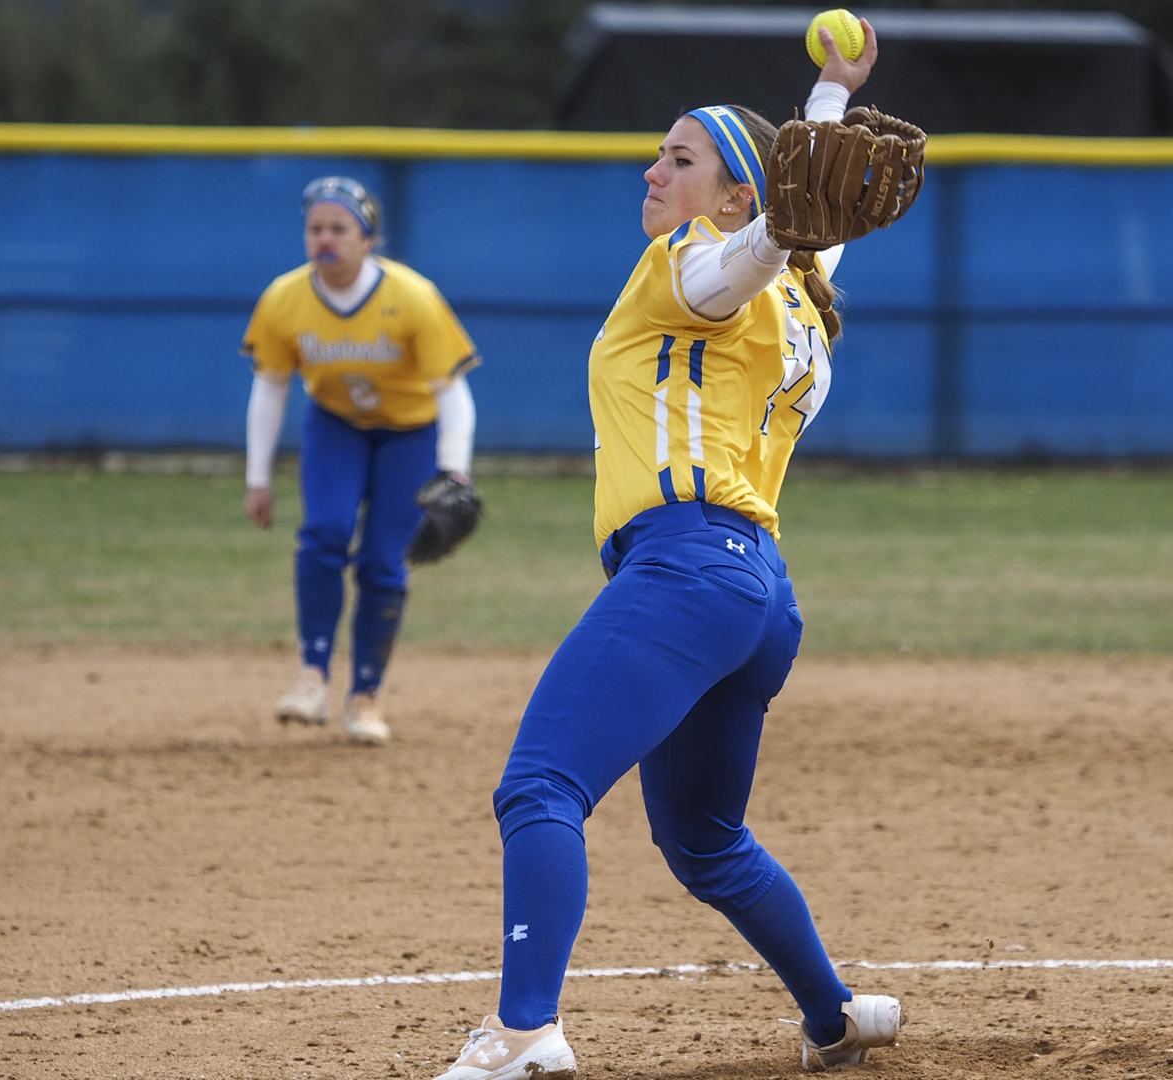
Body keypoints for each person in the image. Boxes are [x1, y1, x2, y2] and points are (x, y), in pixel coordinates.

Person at [431, 21, 904, 1080]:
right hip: (756, 597)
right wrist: (826, 95)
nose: (654, 169)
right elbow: (800, 235)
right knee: (703, 841)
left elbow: (745, 256)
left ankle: (522, 1034)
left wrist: (782, 202)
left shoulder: (695, 265)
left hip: (687, 571)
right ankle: (834, 1017)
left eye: (678, 158)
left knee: (540, 787)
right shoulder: (805, 306)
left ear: (735, 196)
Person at [240, 176, 480, 745]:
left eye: (340, 228)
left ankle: (364, 696)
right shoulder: (284, 298)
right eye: (315, 227)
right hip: (336, 425)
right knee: (324, 532)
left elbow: (453, 394)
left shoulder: (412, 297)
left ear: (368, 237)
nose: (326, 239)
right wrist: (257, 479)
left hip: (410, 434)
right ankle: (311, 676)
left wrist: (454, 470)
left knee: (382, 562)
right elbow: (270, 387)